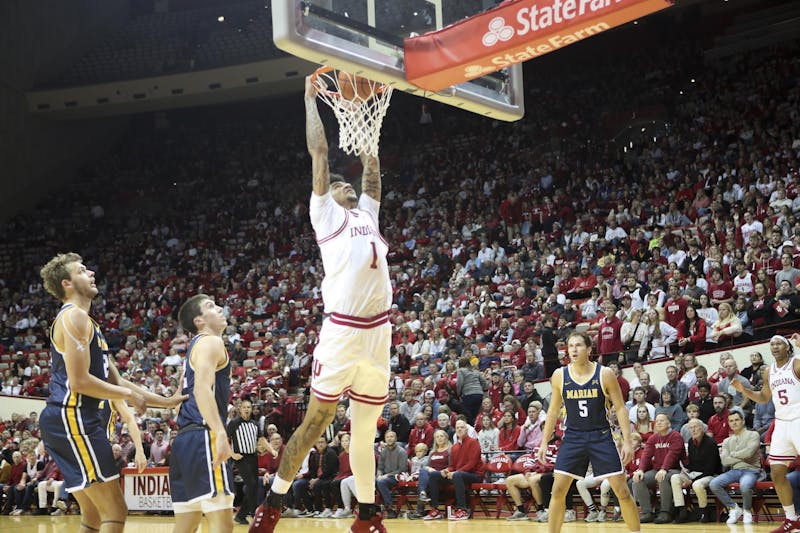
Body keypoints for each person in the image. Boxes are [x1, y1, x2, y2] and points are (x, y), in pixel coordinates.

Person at [251, 76, 392, 533]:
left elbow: (371, 174)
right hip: (343, 330)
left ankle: (367, 517)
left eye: (347, 187)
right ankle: (271, 505)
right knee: (315, 423)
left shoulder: (366, 215)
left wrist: (369, 127)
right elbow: (321, 155)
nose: (345, 186)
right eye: (338, 186)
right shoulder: (325, 214)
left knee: (366, 431)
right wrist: (312, 101)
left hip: (379, 334)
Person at [38, 253, 180, 533]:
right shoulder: (73, 316)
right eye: (82, 270)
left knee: (92, 515)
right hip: (73, 417)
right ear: (67, 283)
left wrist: (166, 401)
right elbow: (79, 382)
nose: (91, 272)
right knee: (115, 509)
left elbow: (119, 381)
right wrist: (128, 397)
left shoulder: (91, 325)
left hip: (71, 421)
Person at [536, 332, 641, 533]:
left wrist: (627, 442)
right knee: (557, 490)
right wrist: (543, 442)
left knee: (621, 490)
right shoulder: (560, 375)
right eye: (570, 346)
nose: (573, 349)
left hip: (601, 436)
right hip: (573, 437)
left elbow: (620, 407)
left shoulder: (605, 374)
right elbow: (552, 411)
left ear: (589, 349)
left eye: (578, 345)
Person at [169, 294, 236, 533]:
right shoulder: (211, 342)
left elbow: (178, 400)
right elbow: (200, 389)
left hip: (183, 441)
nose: (219, 308)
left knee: (186, 525)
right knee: (222, 525)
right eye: (210, 306)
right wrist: (219, 432)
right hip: (203, 436)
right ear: (199, 320)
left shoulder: (192, 350)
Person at [731, 334, 800, 533]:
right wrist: (744, 389)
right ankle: (791, 520)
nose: (775, 346)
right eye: (772, 344)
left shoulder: (796, 364)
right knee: (777, 472)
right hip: (781, 423)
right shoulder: (769, 372)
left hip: (798, 419)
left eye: (779, 343)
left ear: (787, 347)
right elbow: (763, 397)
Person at [708, 408, 763, 525]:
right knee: (714, 483)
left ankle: (747, 511)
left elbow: (749, 453)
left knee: (745, 486)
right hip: (734, 470)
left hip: (751, 470)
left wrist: (732, 454)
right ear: (728, 423)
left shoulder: (753, 435)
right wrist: (740, 455)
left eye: (737, 420)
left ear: (743, 421)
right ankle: (734, 508)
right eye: (731, 421)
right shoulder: (727, 441)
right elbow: (725, 461)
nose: (734, 423)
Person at [227, 398, 260, 524]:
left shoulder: (255, 424)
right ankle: (254, 513)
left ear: (252, 410)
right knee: (251, 484)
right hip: (241, 458)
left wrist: (269, 450)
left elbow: (260, 439)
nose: (247, 409)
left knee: (254, 486)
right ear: (240, 409)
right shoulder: (234, 423)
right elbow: (225, 440)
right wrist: (232, 454)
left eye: (249, 407)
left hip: (253, 457)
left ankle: (241, 516)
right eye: (244, 407)